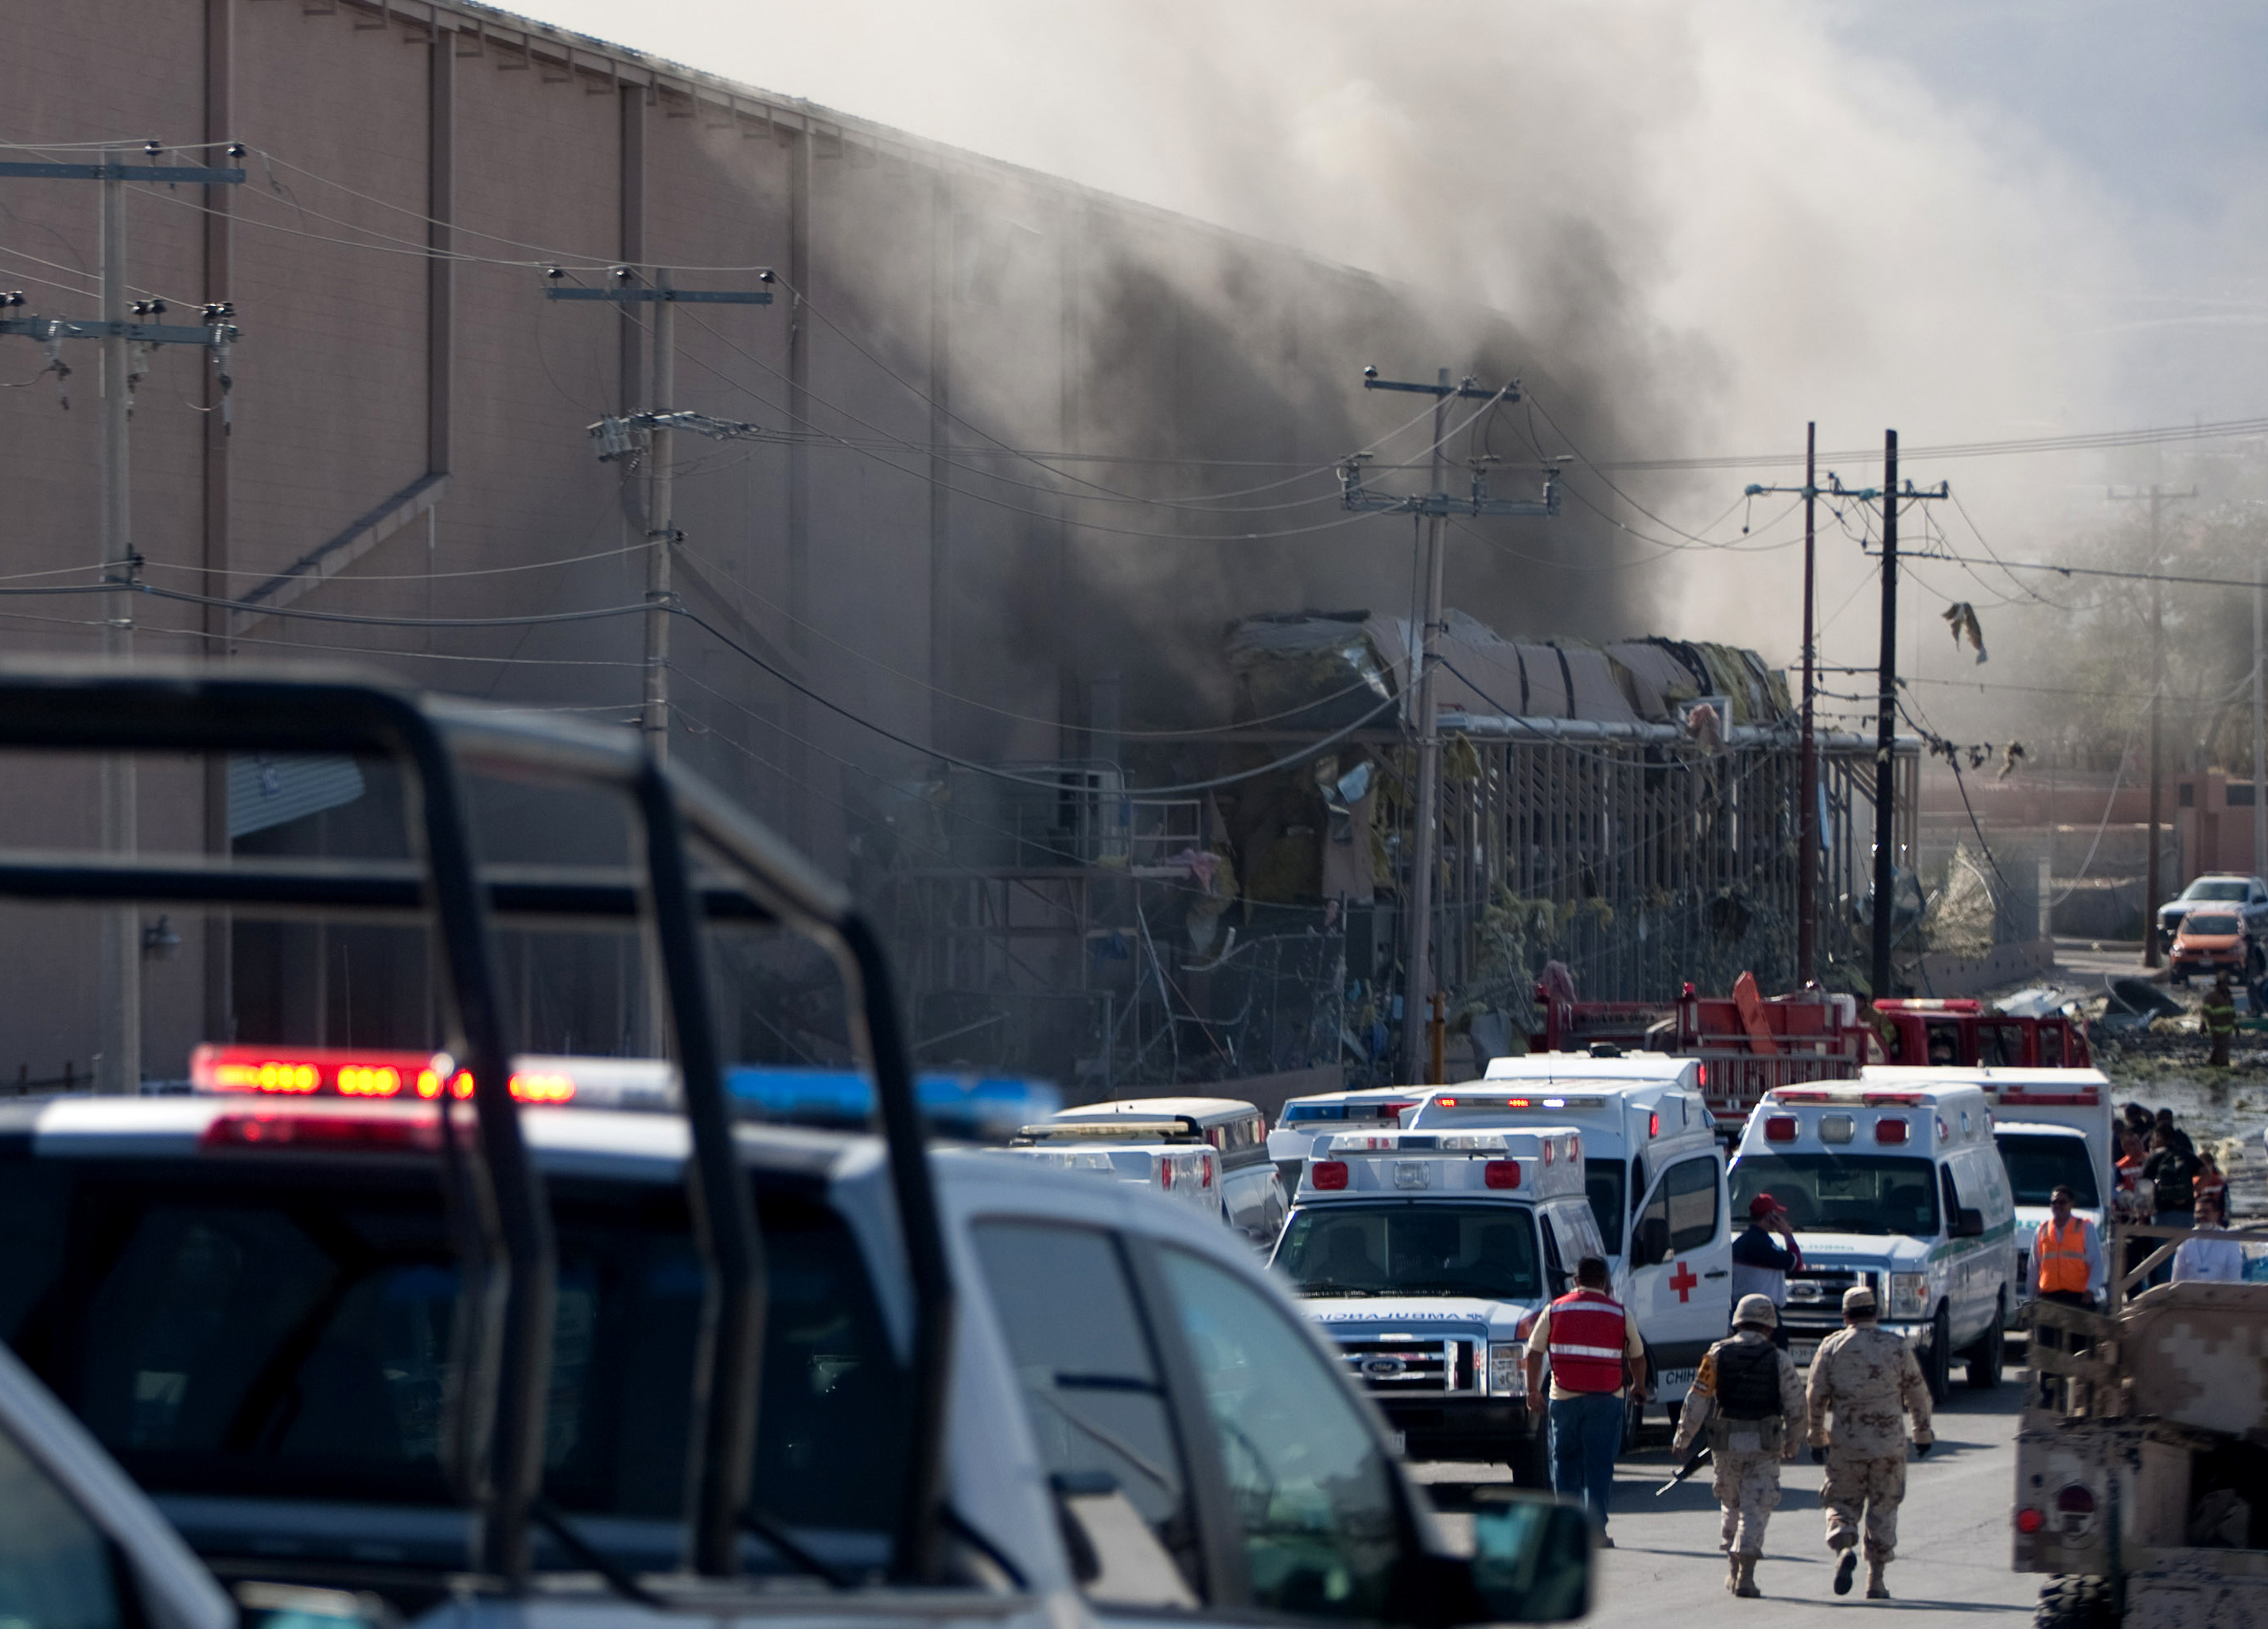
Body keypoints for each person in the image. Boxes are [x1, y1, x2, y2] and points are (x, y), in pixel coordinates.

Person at [1671, 1294, 1807, 1598]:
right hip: (1764, 1444)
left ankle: (1733, 1568)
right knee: (1755, 1507)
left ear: (1737, 1323)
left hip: (1726, 1443)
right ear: (1769, 1326)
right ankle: (1746, 1573)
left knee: (1730, 1502)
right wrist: (1794, 1441)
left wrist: (1683, 1437)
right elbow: (1797, 1406)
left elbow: (1697, 1398)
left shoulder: (1716, 1354)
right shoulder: (1779, 1359)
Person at [1807, 1284, 1934, 1600]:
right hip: (1888, 1445)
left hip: (1847, 1444)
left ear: (1845, 1315)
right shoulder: (1896, 1346)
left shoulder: (1832, 1347)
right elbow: (1917, 1392)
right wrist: (1922, 1432)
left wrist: (1816, 1436)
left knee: (1840, 1503)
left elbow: (1815, 1396)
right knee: (1884, 1507)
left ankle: (1844, 1547)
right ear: (1875, 1313)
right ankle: (1875, 1581)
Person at [1524, 1255, 1648, 1546]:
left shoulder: (1555, 1309)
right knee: (1599, 1467)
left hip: (1564, 1399)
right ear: (1605, 1282)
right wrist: (1639, 1386)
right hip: (1607, 1400)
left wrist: (1533, 1391)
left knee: (1565, 1465)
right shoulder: (1620, 1313)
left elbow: (1534, 1353)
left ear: (1576, 1281)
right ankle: (1596, 1532)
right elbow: (1638, 1355)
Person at [1730, 1193, 1803, 1347]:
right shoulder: (1764, 1245)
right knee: (1777, 1352)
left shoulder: (1739, 1243)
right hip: (1763, 1314)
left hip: (1740, 1312)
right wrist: (1788, 1235)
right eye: (1776, 1215)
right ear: (1770, 1217)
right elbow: (1796, 1263)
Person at [2145, 1124, 2201, 1285]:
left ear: (2159, 1137)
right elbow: (2206, 1173)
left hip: (2163, 1213)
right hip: (2186, 1213)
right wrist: (2193, 1191)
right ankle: (2185, 1288)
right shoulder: (2186, 1155)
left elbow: (2144, 1184)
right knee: (2186, 1254)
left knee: (2163, 1258)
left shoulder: (2156, 1157)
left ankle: (2164, 1290)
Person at [2172, 1189, 2246, 1282]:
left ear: (2217, 1214)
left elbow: (2234, 1275)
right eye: (2199, 1212)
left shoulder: (2229, 1240)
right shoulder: (2185, 1240)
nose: (2202, 1216)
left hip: (2221, 1290)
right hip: (2192, 1290)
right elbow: (2177, 1275)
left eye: (2206, 1212)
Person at [2204, 974, 2238, 1067]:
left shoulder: (2228, 997)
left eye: (2227, 984)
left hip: (2227, 1030)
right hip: (2217, 1029)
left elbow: (2232, 1013)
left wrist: (2236, 1026)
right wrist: (2203, 1025)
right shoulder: (2211, 997)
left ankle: (2212, 1065)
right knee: (2222, 1049)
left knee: (2220, 1049)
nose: (2225, 986)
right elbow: (2205, 1012)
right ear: (2218, 984)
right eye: (2223, 984)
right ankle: (2224, 1067)